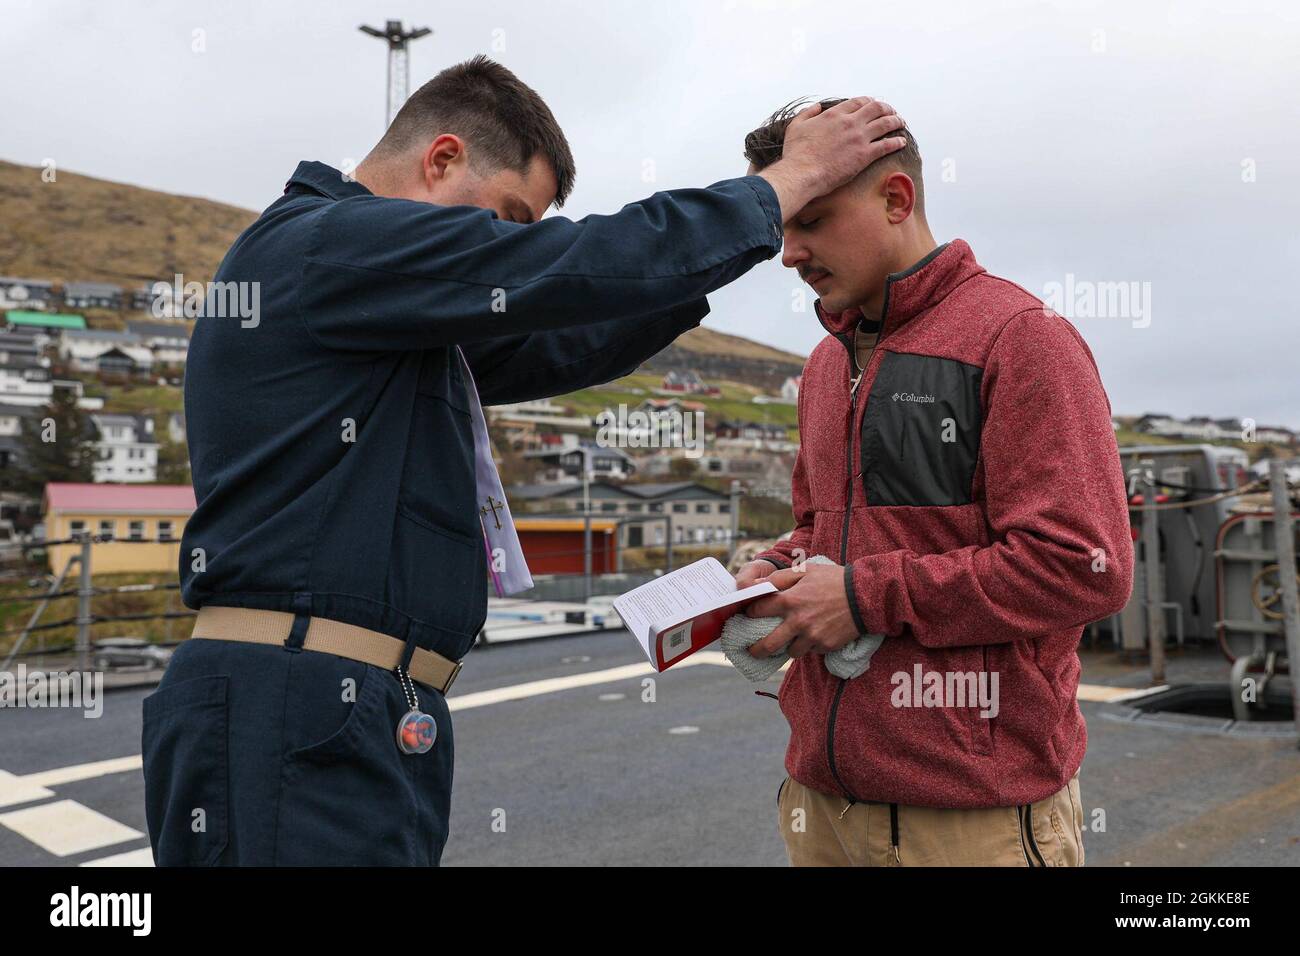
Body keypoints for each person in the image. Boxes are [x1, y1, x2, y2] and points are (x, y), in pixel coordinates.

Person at [141, 59, 908, 866]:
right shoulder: (330, 242)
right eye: (507, 218)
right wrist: (788, 182)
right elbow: (567, 265)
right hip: (297, 701)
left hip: (354, 705)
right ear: (441, 159)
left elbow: (558, 334)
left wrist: (743, 239)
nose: (504, 247)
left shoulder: (387, 311)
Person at [733, 99, 1135, 866]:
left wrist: (859, 596)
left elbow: (1087, 566)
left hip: (968, 821)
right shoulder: (825, 364)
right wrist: (783, 566)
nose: (789, 253)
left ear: (897, 199)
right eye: (781, 227)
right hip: (819, 804)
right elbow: (826, 531)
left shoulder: (1021, 337)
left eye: (810, 220)